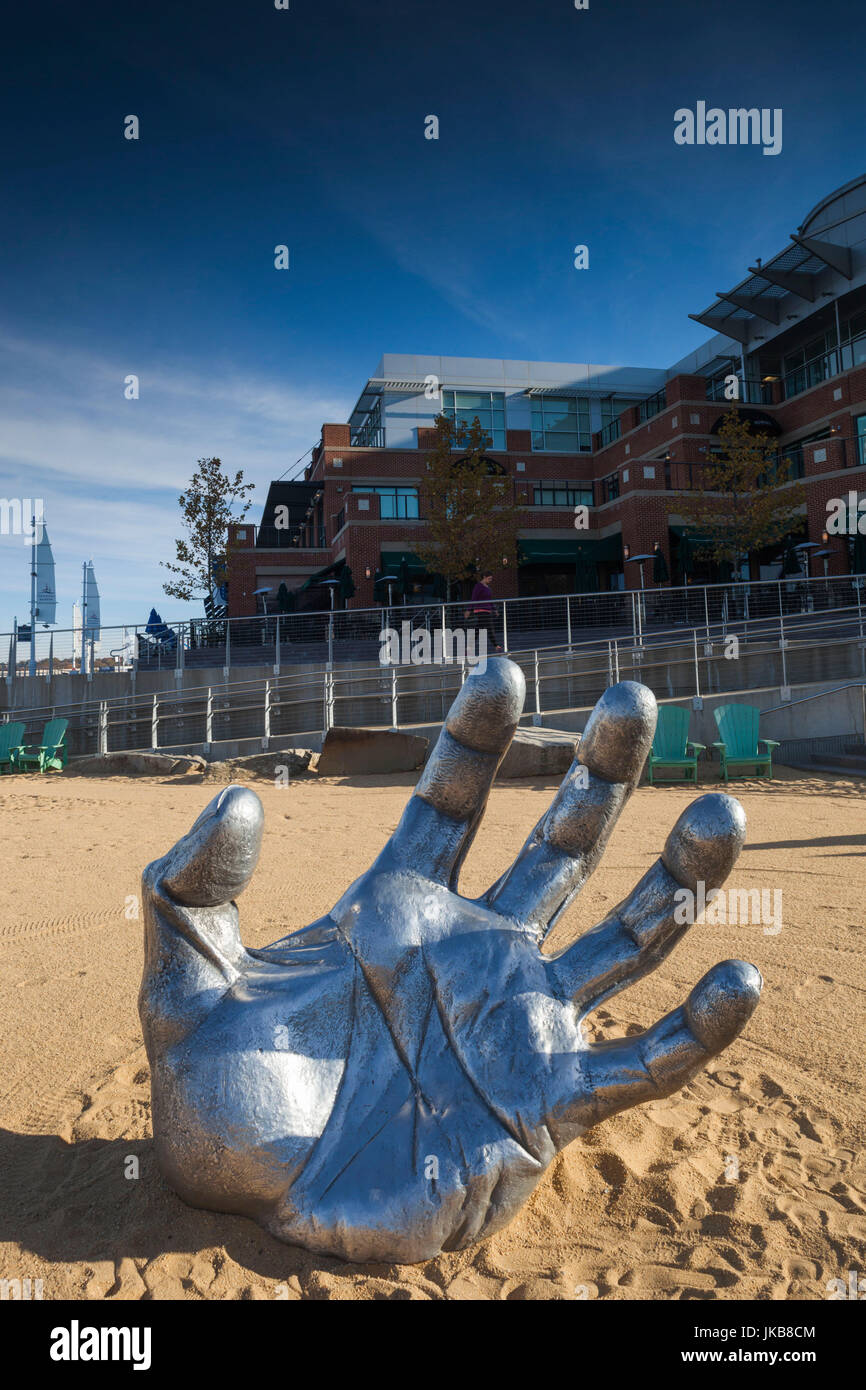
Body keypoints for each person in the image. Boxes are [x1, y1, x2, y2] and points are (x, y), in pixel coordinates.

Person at [467, 572, 502, 652]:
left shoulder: (487, 587)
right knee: (489, 626)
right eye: (489, 578)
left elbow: (489, 600)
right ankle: (496, 645)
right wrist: (469, 610)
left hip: (487, 610)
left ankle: (469, 645)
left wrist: (494, 609)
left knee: (480, 627)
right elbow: (474, 598)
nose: (490, 580)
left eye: (491, 579)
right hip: (480, 610)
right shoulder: (478, 586)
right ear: (484, 577)